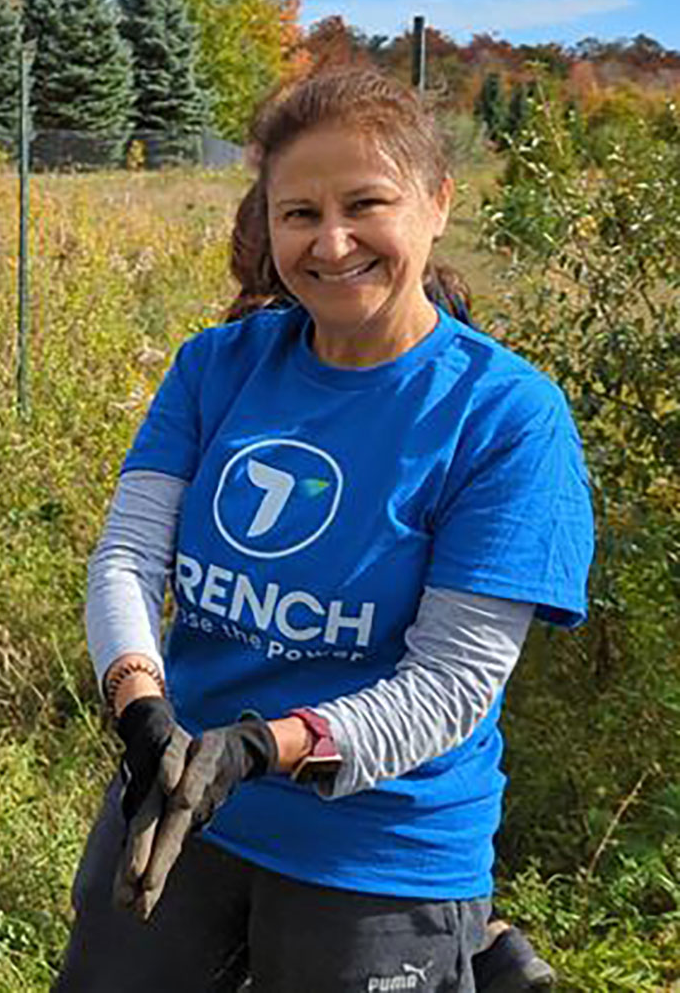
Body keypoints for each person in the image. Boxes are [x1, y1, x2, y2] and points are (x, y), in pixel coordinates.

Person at [55, 67, 593, 992]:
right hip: (181, 801)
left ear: (436, 204)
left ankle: (478, 957)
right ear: (267, 225)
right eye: (299, 213)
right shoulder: (216, 366)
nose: (332, 242)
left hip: (379, 850)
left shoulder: (506, 417)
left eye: (366, 204)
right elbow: (130, 558)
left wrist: (264, 748)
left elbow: (450, 685)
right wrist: (143, 708)